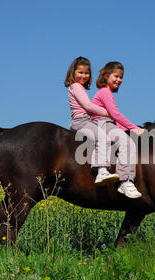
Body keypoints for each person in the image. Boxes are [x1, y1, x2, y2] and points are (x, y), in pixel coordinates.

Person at [91, 61, 144, 199]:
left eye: (121, 77)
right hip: (101, 123)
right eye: (116, 76)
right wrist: (133, 127)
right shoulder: (104, 92)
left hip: (107, 123)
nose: (119, 80)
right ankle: (125, 181)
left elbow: (114, 119)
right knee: (127, 143)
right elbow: (115, 114)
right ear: (106, 76)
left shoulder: (106, 93)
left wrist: (128, 128)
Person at [64, 56, 120, 186]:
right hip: (81, 121)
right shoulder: (76, 86)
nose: (84, 76)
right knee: (102, 138)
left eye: (87, 73)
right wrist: (107, 112)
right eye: (80, 72)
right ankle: (101, 171)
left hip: (87, 120)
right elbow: (88, 106)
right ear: (73, 73)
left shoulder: (79, 87)